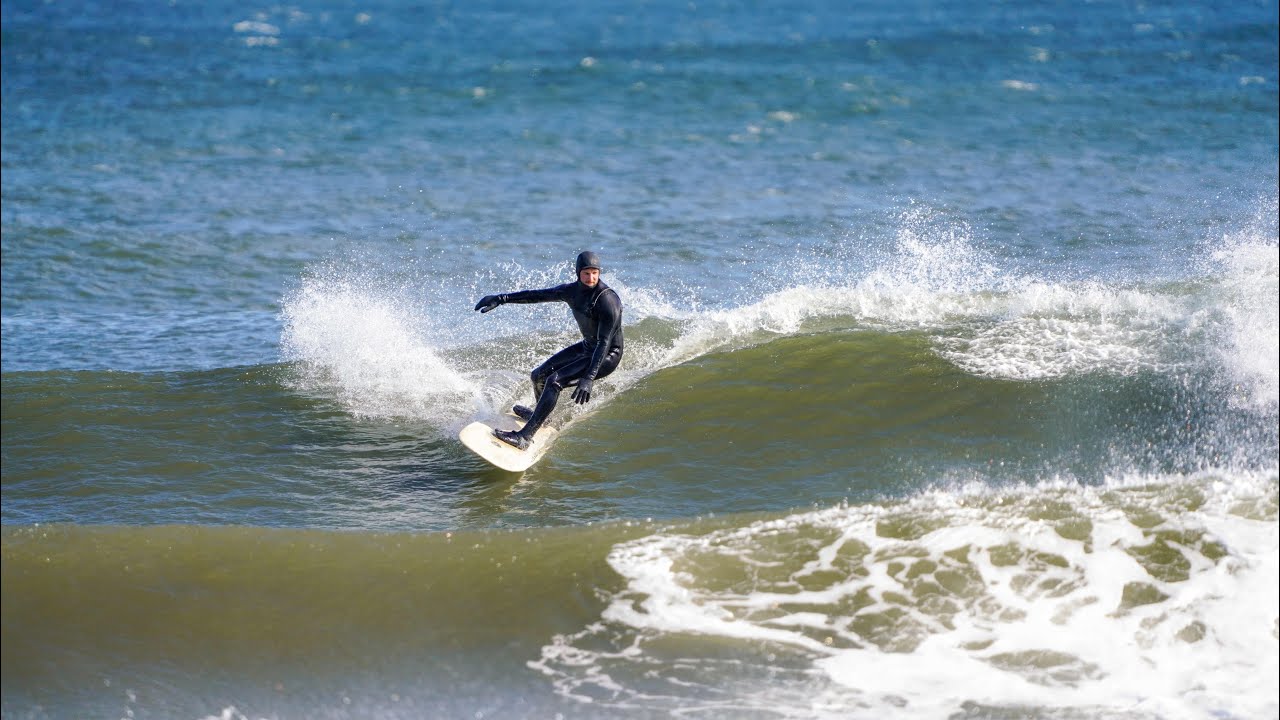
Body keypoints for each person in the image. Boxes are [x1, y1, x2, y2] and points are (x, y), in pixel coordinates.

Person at [473, 251, 623, 450]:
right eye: (586, 273)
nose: (591, 278)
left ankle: (525, 437)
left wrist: (588, 378)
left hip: (607, 355)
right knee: (539, 376)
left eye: (595, 273)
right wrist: (501, 298)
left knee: (555, 381)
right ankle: (540, 417)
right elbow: (538, 295)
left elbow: (604, 343)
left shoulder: (608, 300)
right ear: (578, 273)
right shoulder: (571, 291)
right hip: (589, 346)